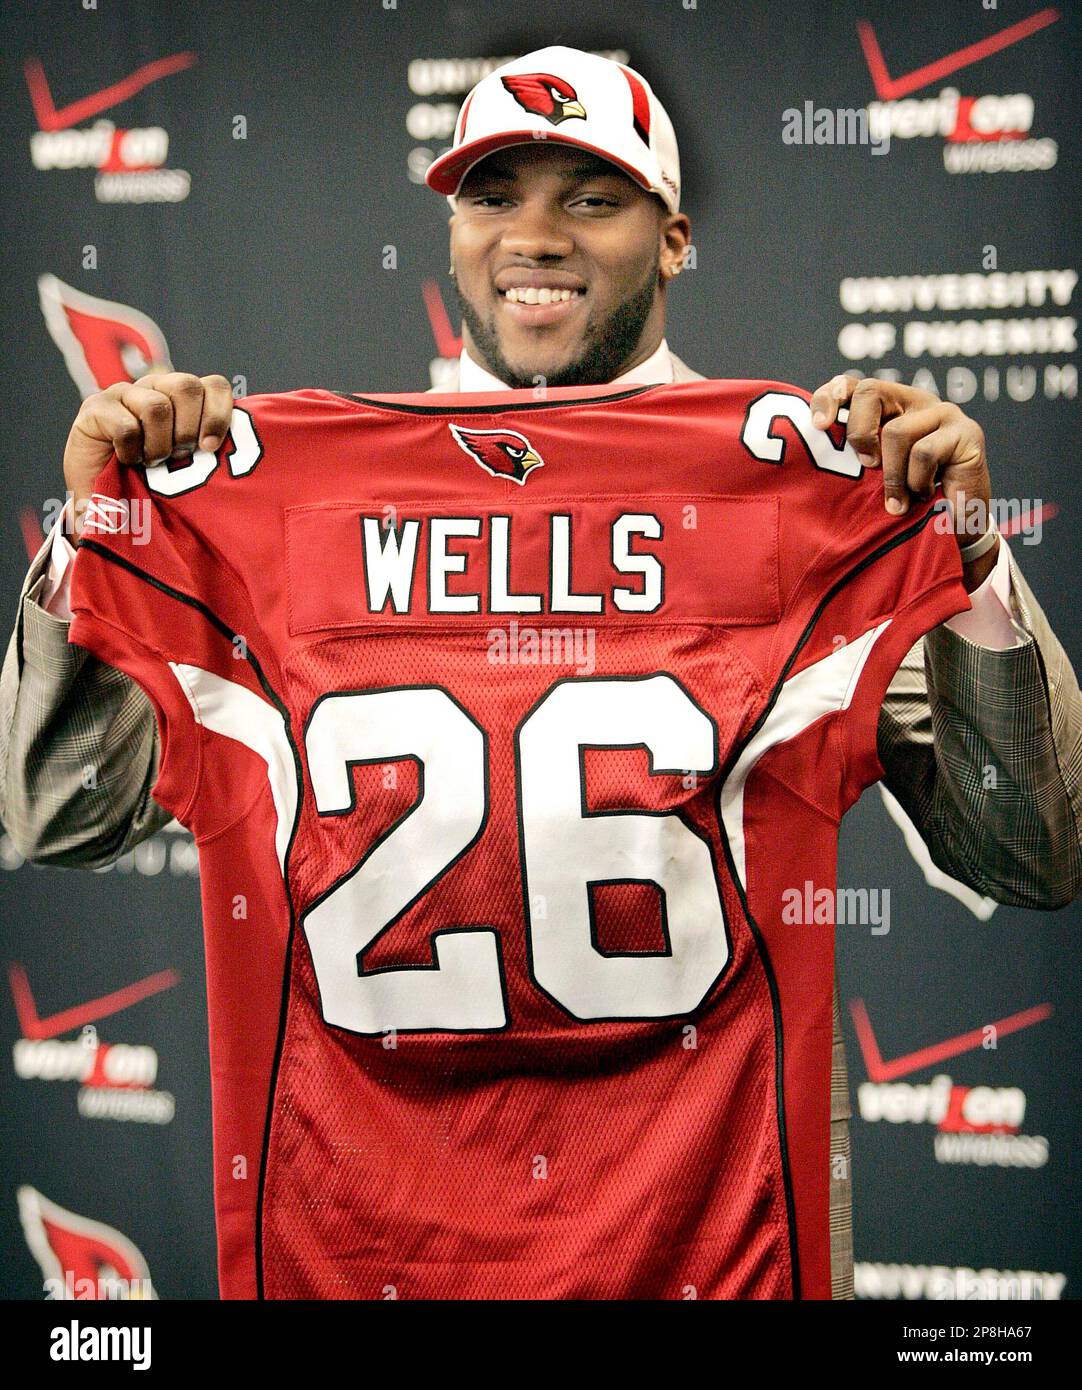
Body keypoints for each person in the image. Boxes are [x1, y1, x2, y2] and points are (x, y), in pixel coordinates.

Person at [1, 45, 1079, 1300]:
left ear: (674, 239)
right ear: (450, 231)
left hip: (715, 1256)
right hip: (365, 1252)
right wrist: (99, 538)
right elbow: (56, 813)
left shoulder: (806, 501)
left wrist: (966, 562)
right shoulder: (271, 508)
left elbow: (1033, 852)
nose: (533, 236)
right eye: (493, 194)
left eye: (589, 196)